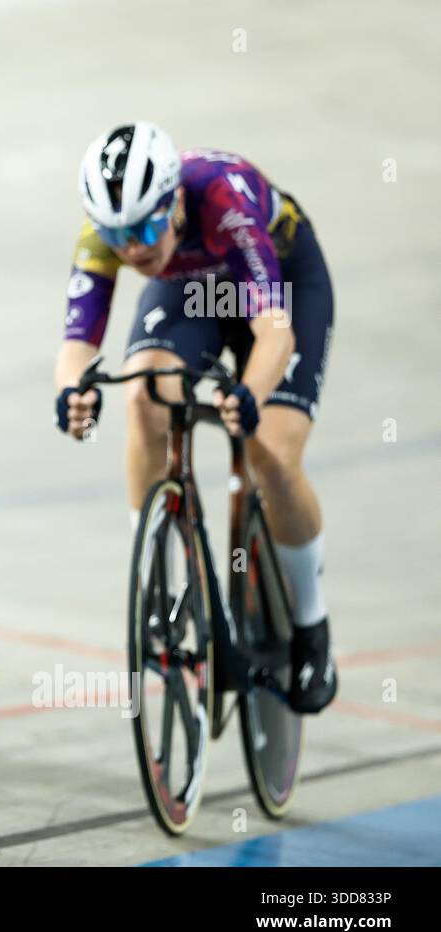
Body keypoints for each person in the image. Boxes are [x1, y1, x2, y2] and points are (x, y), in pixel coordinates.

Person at [52, 120, 337, 713]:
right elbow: (78, 341)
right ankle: (153, 567)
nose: (133, 247)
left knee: (271, 454)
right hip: (191, 287)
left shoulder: (223, 200)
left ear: (175, 199)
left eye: (147, 227)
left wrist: (250, 393)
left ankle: (312, 628)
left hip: (280, 284)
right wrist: (72, 391)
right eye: (118, 235)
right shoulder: (112, 229)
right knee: (144, 397)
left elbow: (274, 336)